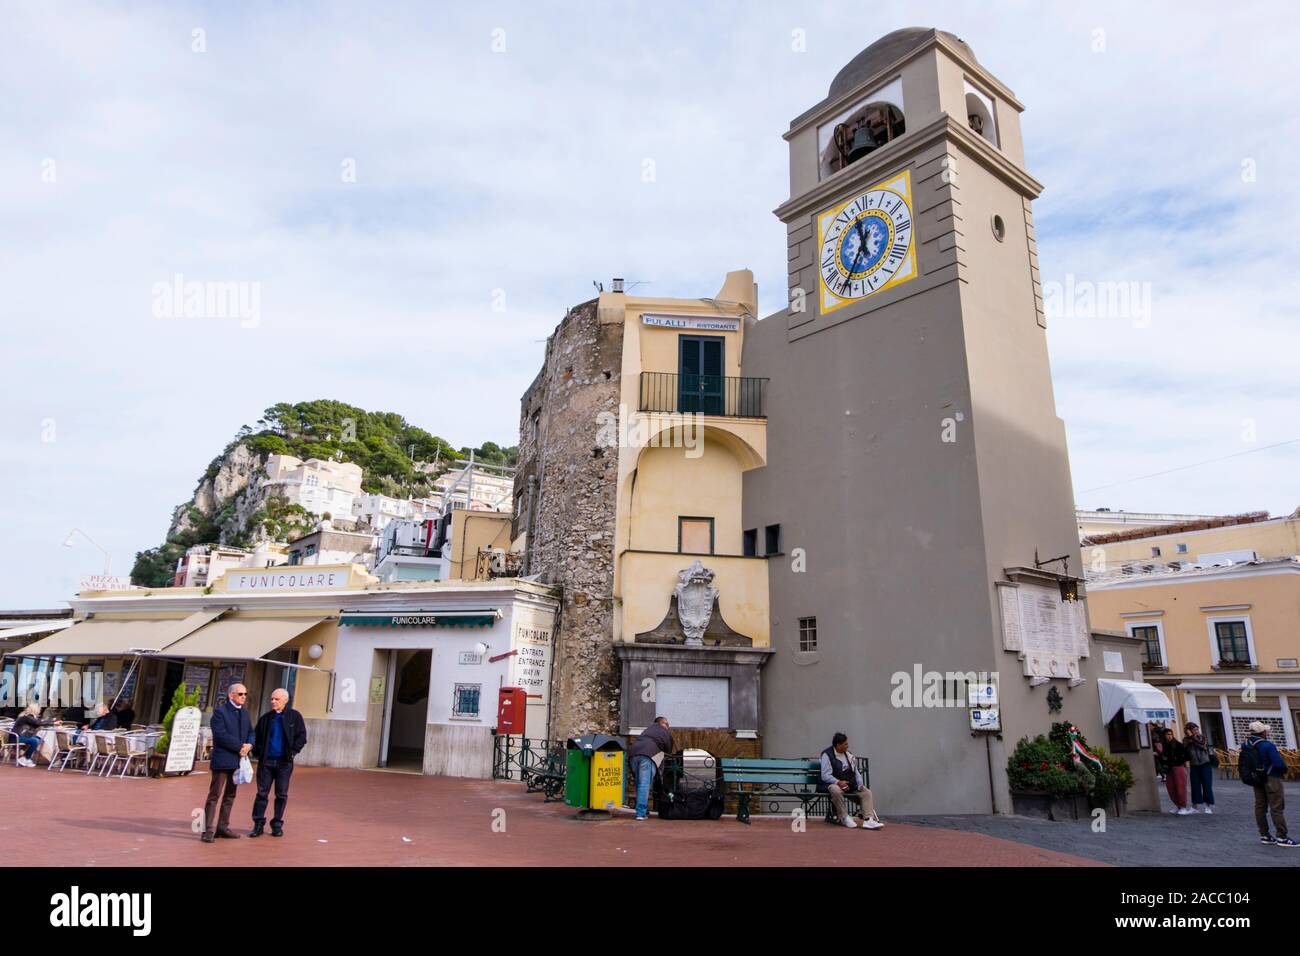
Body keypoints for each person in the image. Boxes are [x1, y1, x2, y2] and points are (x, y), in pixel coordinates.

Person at [250, 688, 307, 838]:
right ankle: (258, 824)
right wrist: (257, 753)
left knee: (281, 794)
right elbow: (255, 736)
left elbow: (302, 736)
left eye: (276, 699)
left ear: (285, 700)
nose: (273, 702)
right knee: (262, 794)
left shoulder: (294, 717)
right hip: (266, 762)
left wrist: (293, 752)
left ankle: (276, 824)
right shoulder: (266, 718)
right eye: (272, 699)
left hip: (284, 763)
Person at [202, 683, 255, 843]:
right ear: (231, 695)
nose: (244, 697)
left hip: (237, 760)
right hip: (223, 760)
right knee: (215, 795)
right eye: (240, 694)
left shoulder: (244, 713)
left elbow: (251, 732)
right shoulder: (220, 712)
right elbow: (220, 735)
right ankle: (207, 830)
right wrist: (240, 746)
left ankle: (222, 827)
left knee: (230, 795)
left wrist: (249, 745)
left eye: (245, 694)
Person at [1243, 721, 1296, 847]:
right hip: (1271, 777)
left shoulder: (1246, 744)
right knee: (1276, 807)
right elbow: (1278, 763)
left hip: (1256, 779)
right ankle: (1282, 836)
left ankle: (1264, 835)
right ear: (1263, 732)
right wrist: (1284, 770)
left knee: (1260, 807)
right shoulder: (1267, 745)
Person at [818, 732, 883, 829]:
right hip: (832, 783)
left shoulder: (848, 755)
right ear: (838, 745)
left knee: (866, 792)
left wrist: (860, 783)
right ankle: (844, 817)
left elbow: (855, 771)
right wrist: (838, 782)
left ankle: (868, 820)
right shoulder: (827, 755)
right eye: (845, 744)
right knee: (836, 790)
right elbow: (825, 775)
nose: (847, 746)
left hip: (849, 784)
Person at [626, 716, 673, 821]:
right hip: (647, 756)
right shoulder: (663, 731)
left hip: (633, 755)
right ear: (662, 723)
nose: (668, 726)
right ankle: (640, 813)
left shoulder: (648, 730)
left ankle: (644, 809)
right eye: (667, 724)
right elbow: (668, 749)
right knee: (644, 785)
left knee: (640, 784)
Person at [1183, 722, 1216, 814]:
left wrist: (1193, 738)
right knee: (1195, 785)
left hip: (1205, 764)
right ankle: (1195, 806)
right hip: (1194, 765)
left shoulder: (1203, 737)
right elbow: (1185, 749)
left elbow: (1202, 745)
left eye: (1197, 729)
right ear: (1188, 731)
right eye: (1194, 730)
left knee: (1207, 784)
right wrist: (1190, 738)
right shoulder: (1186, 740)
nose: (1196, 731)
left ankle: (1208, 805)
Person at [1159, 727, 1192, 814]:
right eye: (1167, 734)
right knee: (1171, 788)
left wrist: (1178, 760)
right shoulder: (1164, 745)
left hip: (1178, 768)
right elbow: (1163, 756)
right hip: (1169, 769)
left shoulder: (1178, 744)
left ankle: (1183, 807)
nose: (1169, 736)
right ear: (1164, 736)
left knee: (1180, 788)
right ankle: (1177, 805)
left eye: (1170, 734)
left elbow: (1187, 756)